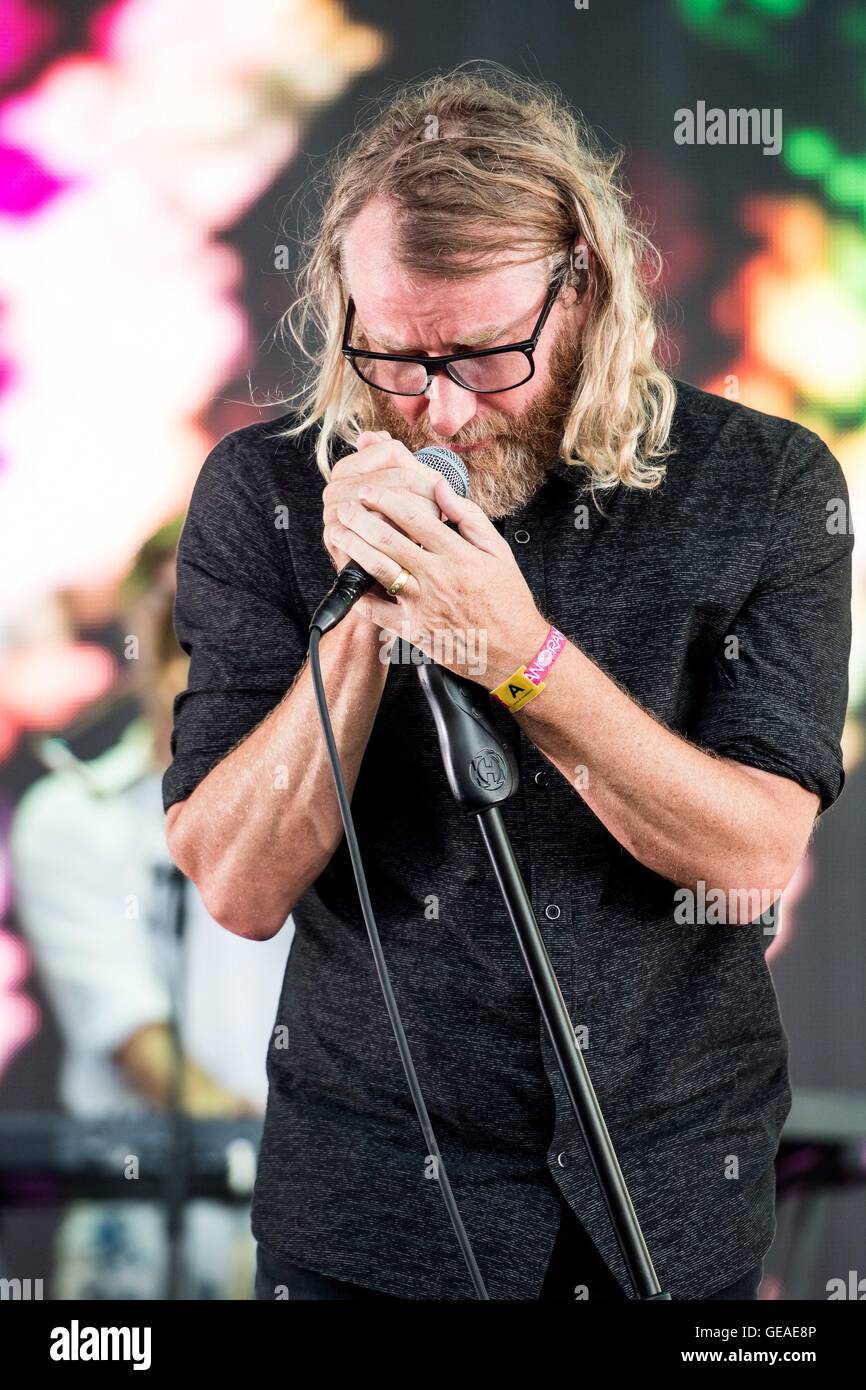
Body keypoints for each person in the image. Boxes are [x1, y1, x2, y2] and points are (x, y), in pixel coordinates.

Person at [163, 68, 852, 1301]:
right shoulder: (258, 494)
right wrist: (370, 617)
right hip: (369, 1205)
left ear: (581, 290)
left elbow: (749, 858)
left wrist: (517, 655)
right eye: (391, 353)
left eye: (482, 355)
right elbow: (235, 882)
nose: (434, 402)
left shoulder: (763, 484)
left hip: (666, 1198)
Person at [11, 529, 291, 1298]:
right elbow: (134, 1040)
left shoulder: (325, 809)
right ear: (139, 622)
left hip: (309, 1225)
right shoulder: (71, 816)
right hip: (142, 1234)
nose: (199, 638)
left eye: (228, 611)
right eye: (178, 613)